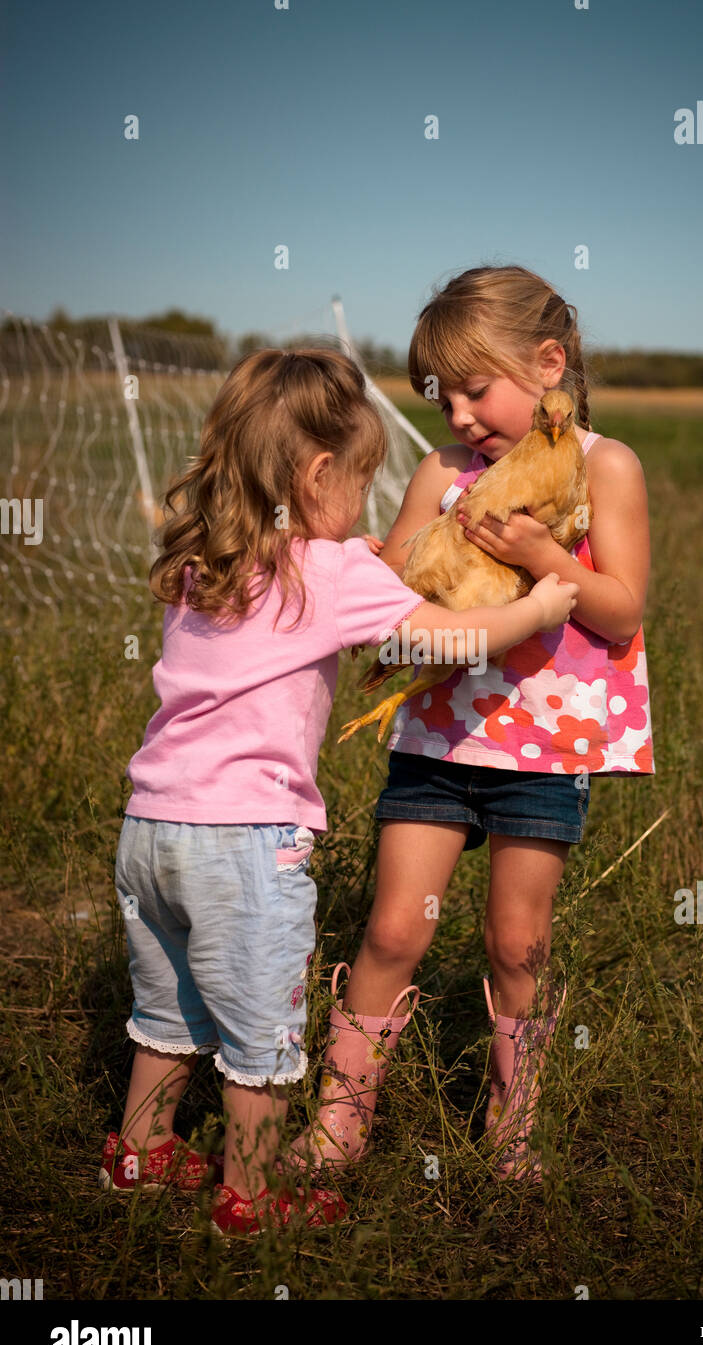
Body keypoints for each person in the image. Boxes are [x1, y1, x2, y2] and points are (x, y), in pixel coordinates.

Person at [102, 344, 580, 1236]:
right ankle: (252, 1195)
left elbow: (288, 609)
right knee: (260, 1033)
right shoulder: (330, 574)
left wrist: (348, 556)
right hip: (246, 845)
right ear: (318, 473)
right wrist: (537, 612)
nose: (364, 503)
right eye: (359, 484)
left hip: (151, 830)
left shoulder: (202, 562)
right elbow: (443, 639)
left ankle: (140, 1150)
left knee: (165, 1008)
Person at [287, 265, 655, 1183]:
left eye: (473, 388)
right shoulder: (444, 472)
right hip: (439, 740)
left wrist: (540, 556)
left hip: (545, 747)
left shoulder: (606, 463)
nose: (456, 414)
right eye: (438, 395)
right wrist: (378, 562)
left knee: (514, 942)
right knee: (391, 931)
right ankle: (341, 1117)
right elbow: (402, 573)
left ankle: (510, 1120)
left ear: (548, 364)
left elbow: (621, 607)